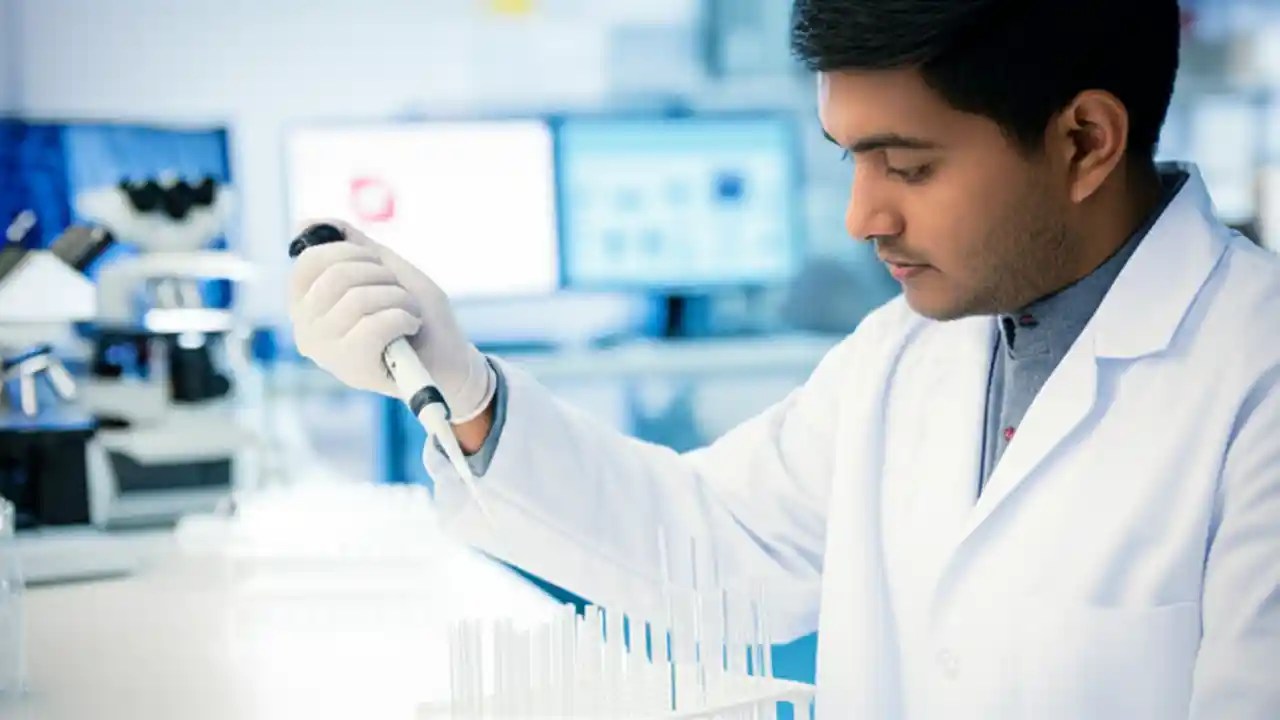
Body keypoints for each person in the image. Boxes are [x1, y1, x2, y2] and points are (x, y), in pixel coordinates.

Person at [287, 1, 1280, 716]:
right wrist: (470, 397)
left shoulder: (1253, 378)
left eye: (907, 166)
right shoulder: (906, 352)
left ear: (1084, 141)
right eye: (849, 157)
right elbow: (713, 544)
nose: (862, 216)